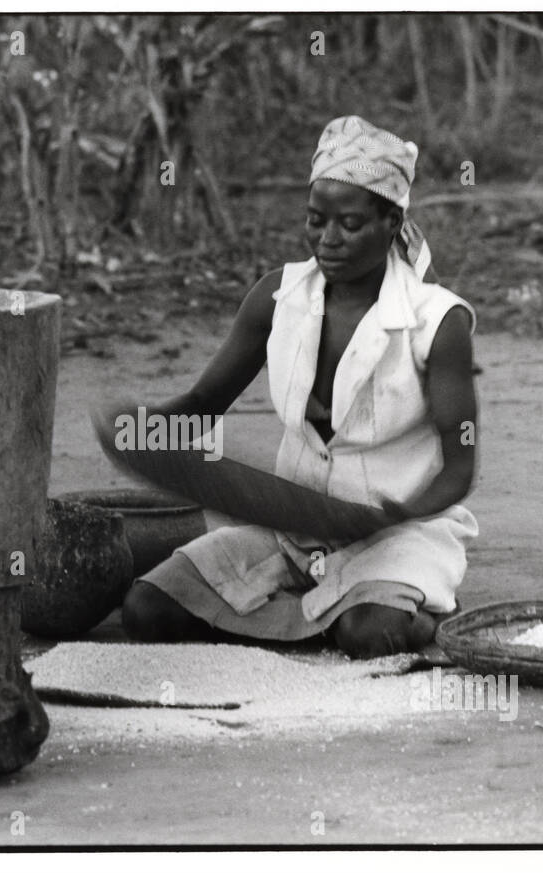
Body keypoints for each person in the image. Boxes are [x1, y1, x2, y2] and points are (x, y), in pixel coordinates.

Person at [118, 116, 479, 659]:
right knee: (148, 609)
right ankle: (330, 611)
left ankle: (409, 611)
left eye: (350, 224)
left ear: (391, 222)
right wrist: (139, 431)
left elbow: (459, 467)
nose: (327, 239)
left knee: (369, 634)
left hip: (398, 535)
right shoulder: (277, 298)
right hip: (288, 532)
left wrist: (394, 512)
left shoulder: (436, 322)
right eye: (316, 220)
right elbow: (202, 405)